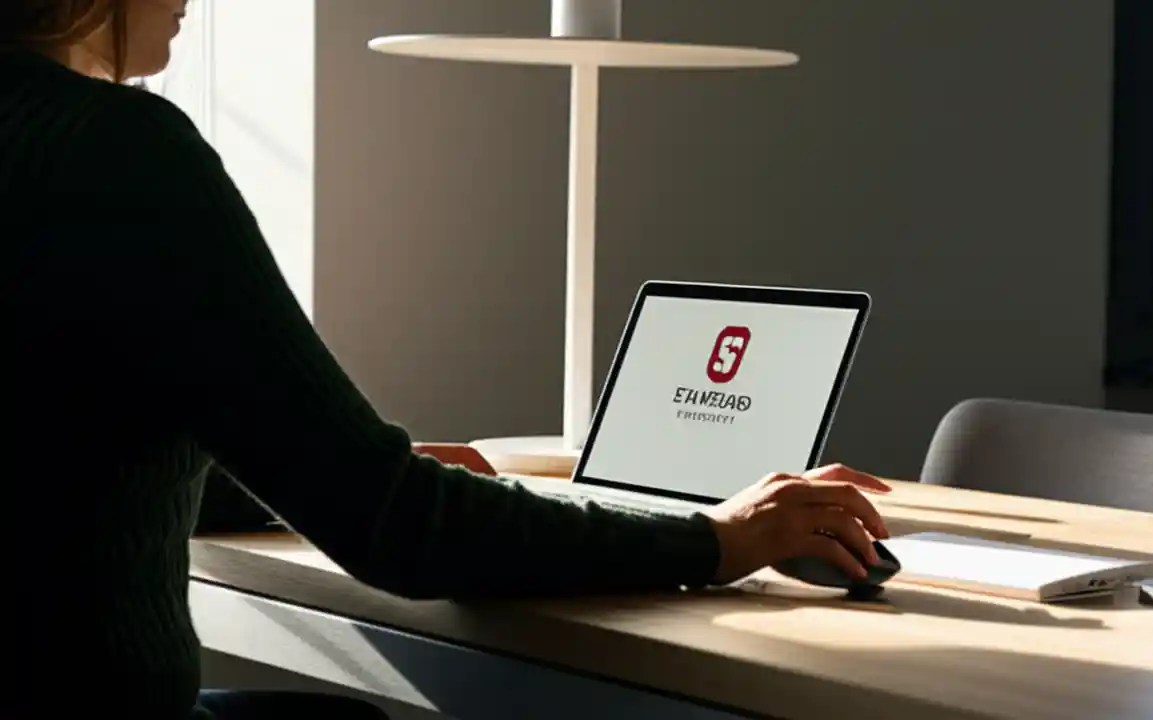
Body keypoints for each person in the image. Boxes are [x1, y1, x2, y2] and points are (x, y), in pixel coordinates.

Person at [1, 1, 892, 717]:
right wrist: (715, 537)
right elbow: (397, 532)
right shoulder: (121, 154)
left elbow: (60, 445)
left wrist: (299, 473)